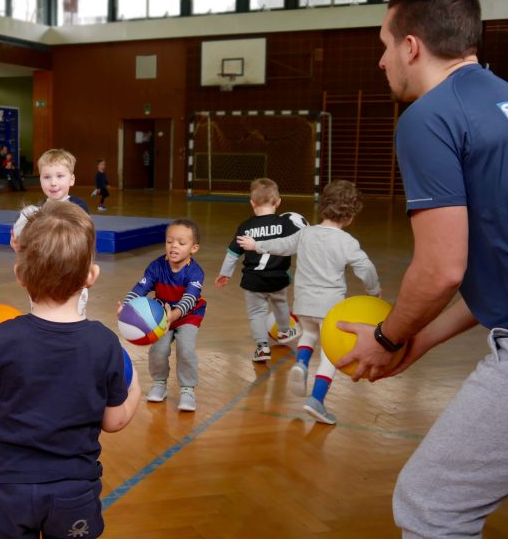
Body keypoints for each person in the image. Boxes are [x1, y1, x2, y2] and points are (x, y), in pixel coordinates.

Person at [335, 0, 508, 537]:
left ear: (411, 46)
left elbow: (442, 267)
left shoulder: (430, 115)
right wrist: (419, 340)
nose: (380, 61)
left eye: (383, 44)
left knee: (431, 502)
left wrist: (386, 338)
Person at [0, 201, 141, 539]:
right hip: (73, 489)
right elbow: (114, 421)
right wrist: (134, 387)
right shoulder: (104, 344)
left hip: (9, 486)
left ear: (19, 274)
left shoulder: (3, 336)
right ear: (91, 276)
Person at [238, 180, 379, 425]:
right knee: (330, 354)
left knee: (309, 335)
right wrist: (373, 290)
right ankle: (316, 399)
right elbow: (365, 268)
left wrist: (256, 245)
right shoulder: (347, 242)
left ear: (322, 207)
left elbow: (280, 246)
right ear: (350, 217)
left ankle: (301, 363)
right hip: (329, 306)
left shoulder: (304, 234)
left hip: (303, 304)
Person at [121, 219, 206, 412]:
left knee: (186, 349)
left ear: (194, 248)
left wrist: (174, 315)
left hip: (188, 316)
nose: (174, 246)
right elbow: (140, 288)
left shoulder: (195, 272)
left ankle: (187, 389)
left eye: (181, 243)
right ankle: (159, 383)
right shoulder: (156, 266)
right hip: (161, 315)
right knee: (158, 350)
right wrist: (126, 307)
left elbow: (190, 298)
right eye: (169, 241)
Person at [214, 178, 302, 362]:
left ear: (252, 203)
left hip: (254, 280)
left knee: (257, 313)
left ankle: (262, 347)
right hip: (278, 277)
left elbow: (232, 253)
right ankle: (285, 331)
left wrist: (225, 273)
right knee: (281, 304)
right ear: (278, 202)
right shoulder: (286, 225)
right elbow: (299, 243)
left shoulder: (245, 227)